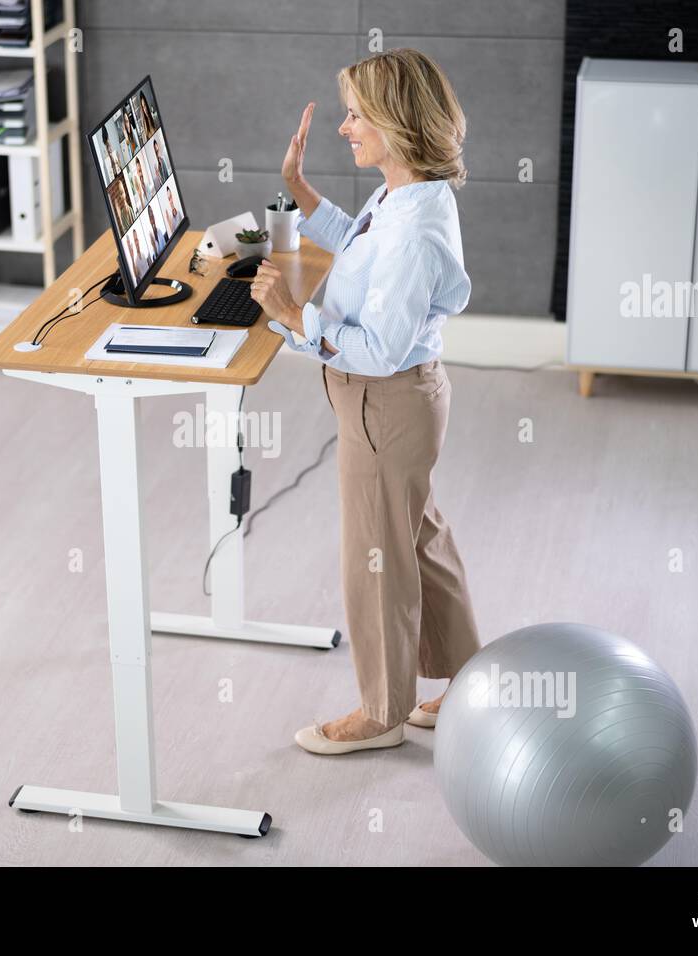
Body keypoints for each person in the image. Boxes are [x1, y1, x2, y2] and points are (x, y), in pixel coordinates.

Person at [248, 49, 481, 756]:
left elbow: (378, 347)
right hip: (402, 406)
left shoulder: (414, 230)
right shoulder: (407, 191)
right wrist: (302, 192)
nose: (345, 127)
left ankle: (382, 712)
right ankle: (468, 680)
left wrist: (295, 316)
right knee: (418, 538)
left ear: (395, 123)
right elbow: (360, 244)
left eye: (356, 115)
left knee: (375, 556)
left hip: (385, 402)